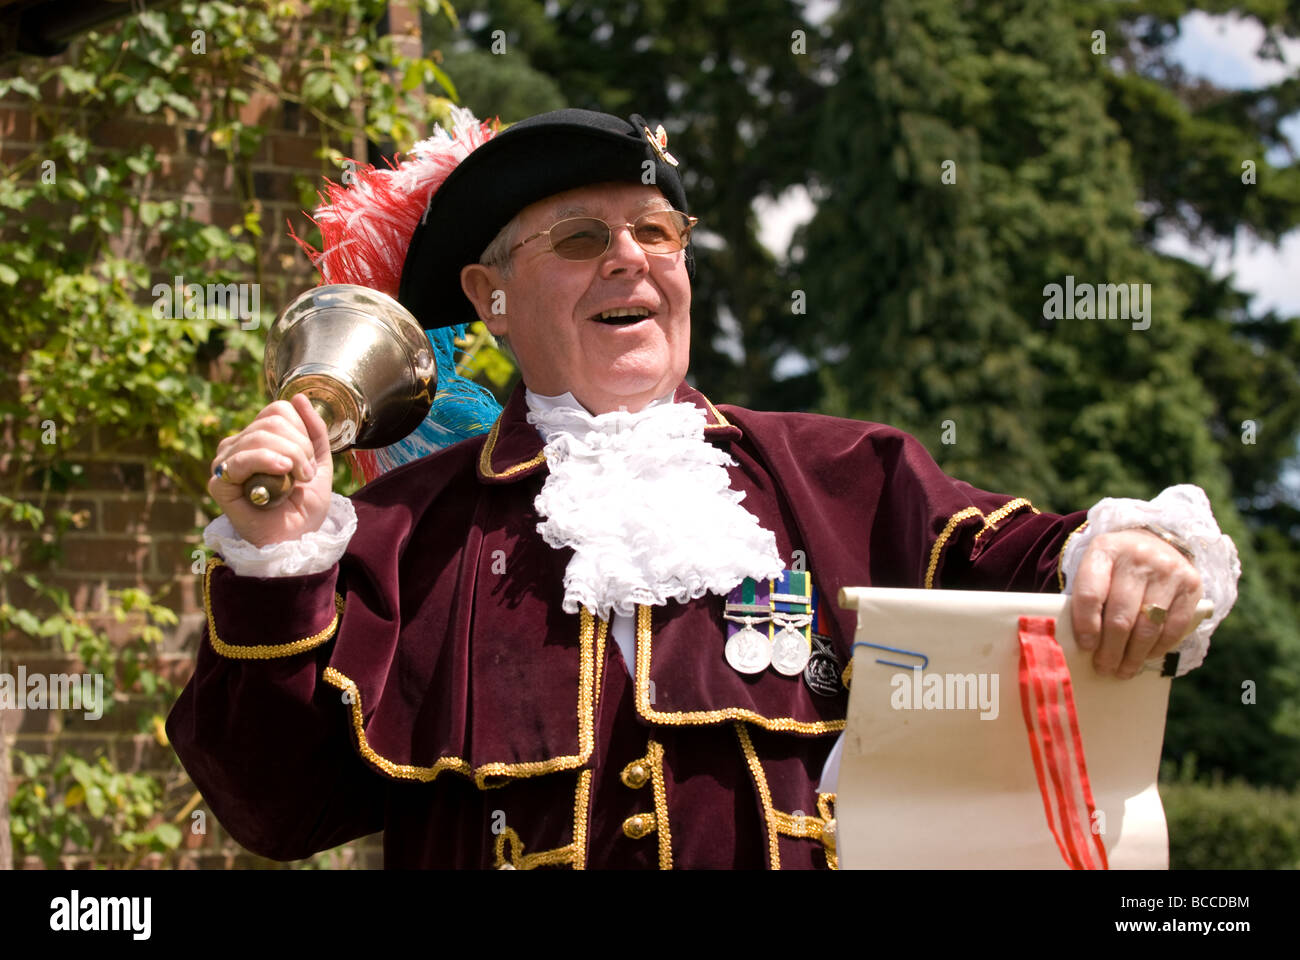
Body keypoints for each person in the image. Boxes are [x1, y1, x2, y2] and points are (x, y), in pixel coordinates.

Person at [166, 109, 1240, 870]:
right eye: (583, 240)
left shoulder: (848, 473)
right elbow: (273, 806)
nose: (631, 260)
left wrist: (1137, 556)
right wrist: (277, 562)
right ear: (491, 299)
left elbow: (1038, 559)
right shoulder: (402, 534)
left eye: (658, 233)